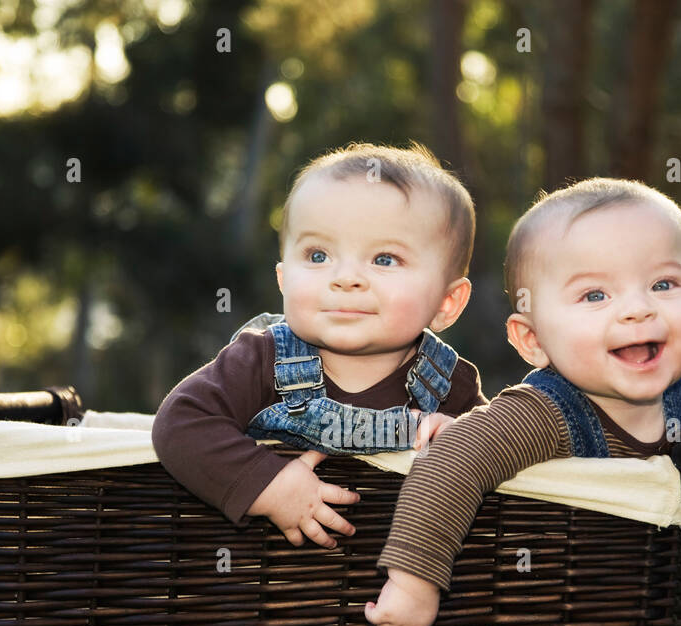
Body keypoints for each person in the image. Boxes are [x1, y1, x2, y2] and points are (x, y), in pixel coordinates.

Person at [365, 178, 681, 626]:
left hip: (652, 617)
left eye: (663, 284)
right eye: (595, 295)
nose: (637, 309)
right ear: (532, 340)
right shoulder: (539, 415)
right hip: (549, 608)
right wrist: (415, 581)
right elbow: (452, 461)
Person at [152, 143, 488, 548]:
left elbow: (519, 462)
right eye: (317, 254)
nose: (345, 277)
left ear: (446, 302)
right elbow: (182, 422)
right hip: (259, 577)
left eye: (384, 259)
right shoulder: (262, 359)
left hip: (384, 580)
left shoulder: (450, 385)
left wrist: (466, 438)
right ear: (282, 279)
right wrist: (269, 484)